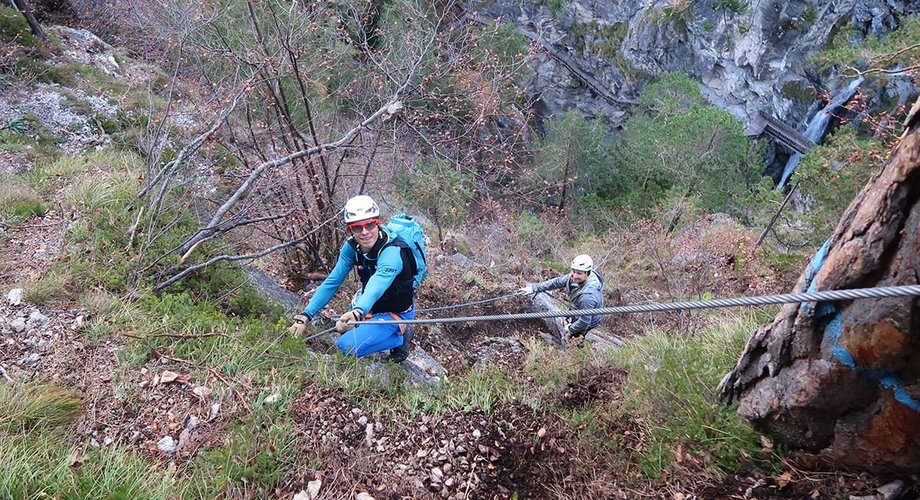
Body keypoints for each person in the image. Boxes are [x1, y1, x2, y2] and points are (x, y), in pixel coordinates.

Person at [288, 195, 416, 362]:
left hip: (394, 312)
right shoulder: (352, 247)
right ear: (350, 229)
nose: (364, 232)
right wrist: (306, 315)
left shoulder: (392, 251)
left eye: (370, 224)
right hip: (368, 307)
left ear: (378, 223)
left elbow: (378, 283)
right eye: (357, 228)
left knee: (345, 347)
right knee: (344, 328)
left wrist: (358, 311)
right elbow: (333, 281)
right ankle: (368, 322)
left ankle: (401, 336)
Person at [519, 254, 604, 339]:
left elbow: (585, 321)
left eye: (579, 273)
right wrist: (534, 288)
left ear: (588, 273)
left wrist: (570, 329)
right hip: (579, 309)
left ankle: (576, 348)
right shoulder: (575, 278)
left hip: (589, 319)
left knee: (576, 337)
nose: (574, 276)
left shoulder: (588, 297)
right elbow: (557, 282)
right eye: (573, 271)